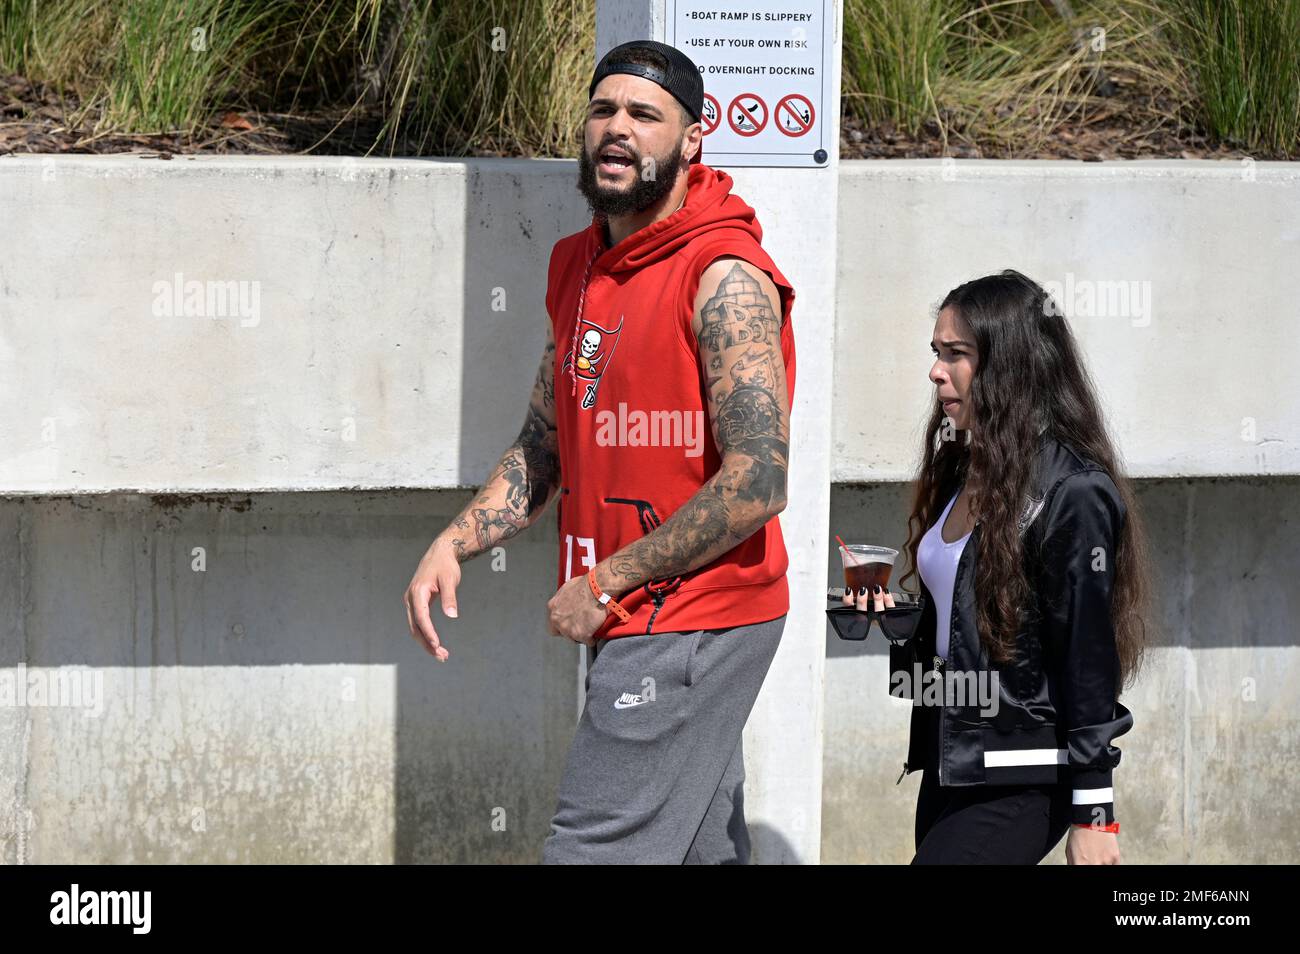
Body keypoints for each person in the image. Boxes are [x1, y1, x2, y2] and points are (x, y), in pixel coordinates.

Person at [403, 39, 797, 864]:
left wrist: (607, 580)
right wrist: (455, 540)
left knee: (592, 849)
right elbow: (547, 441)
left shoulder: (724, 275)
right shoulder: (575, 264)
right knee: (699, 852)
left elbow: (759, 480)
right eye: (602, 109)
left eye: (645, 115)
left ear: (693, 139)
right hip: (632, 611)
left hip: (685, 613)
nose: (617, 129)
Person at [854, 269, 1151, 864]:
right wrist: (897, 623)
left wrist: (1095, 811)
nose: (936, 371)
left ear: (1009, 364)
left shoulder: (1072, 490)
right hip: (953, 755)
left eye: (956, 355)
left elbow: (1087, 654)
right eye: (936, 354)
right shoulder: (965, 467)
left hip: (1023, 774)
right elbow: (966, 621)